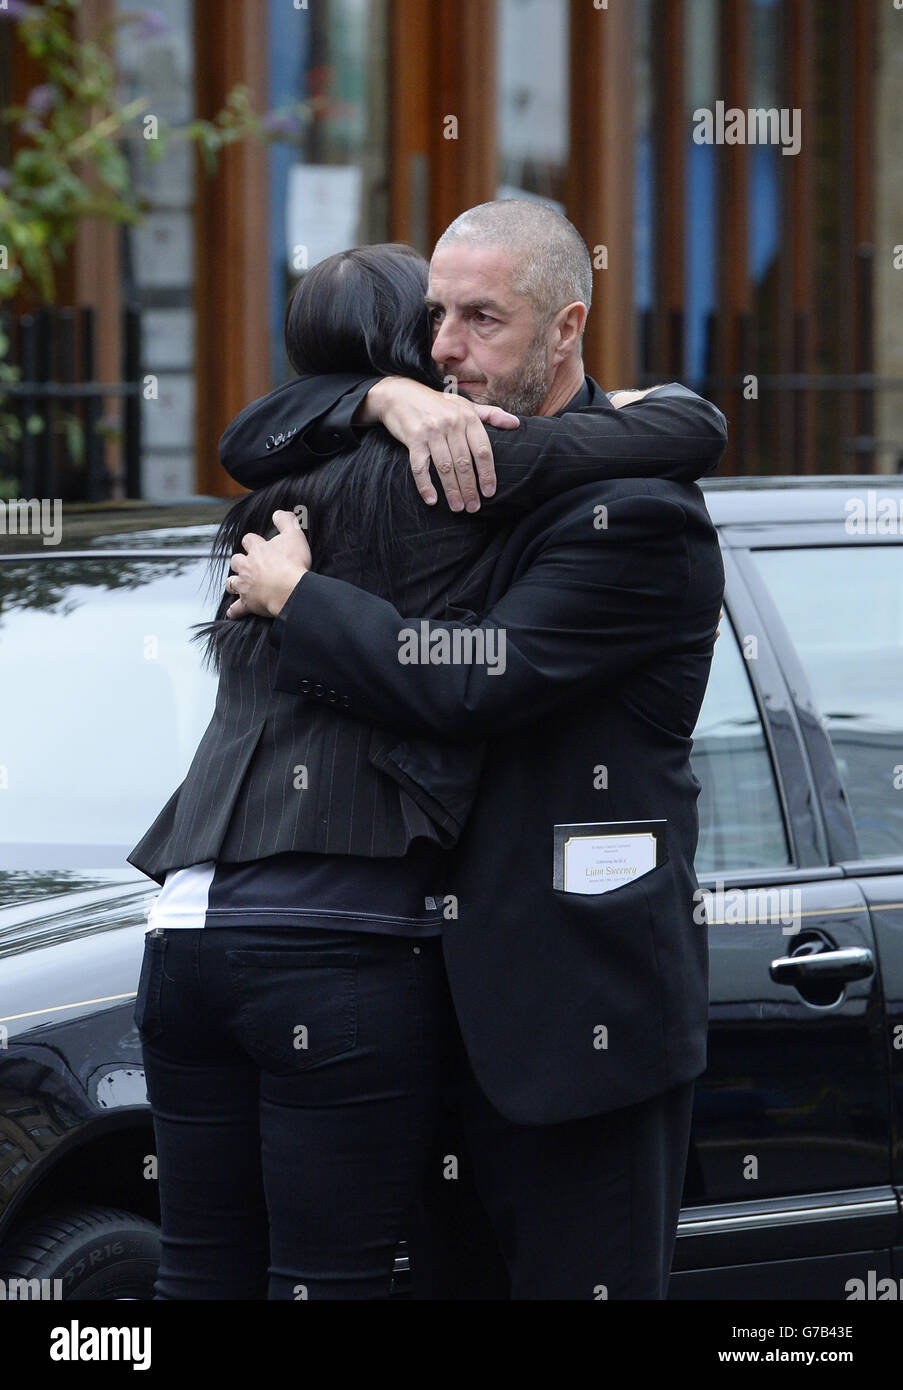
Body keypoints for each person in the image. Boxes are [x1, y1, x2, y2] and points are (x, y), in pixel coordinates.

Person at [128, 235, 723, 1300]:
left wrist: (300, 597)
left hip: (566, 1024)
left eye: (481, 320)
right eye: (433, 322)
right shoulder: (404, 455)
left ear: (567, 326)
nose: (448, 350)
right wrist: (380, 402)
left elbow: (474, 680)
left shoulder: (629, 507)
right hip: (410, 998)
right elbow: (247, 432)